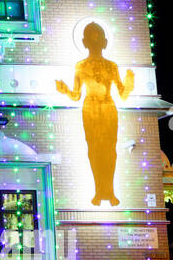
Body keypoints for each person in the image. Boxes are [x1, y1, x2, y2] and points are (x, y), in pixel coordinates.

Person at [55, 22, 134, 206]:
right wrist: (64, 89)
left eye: (99, 41)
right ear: (84, 43)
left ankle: (110, 191)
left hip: (108, 108)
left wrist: (129, 82)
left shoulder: (111, 66)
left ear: (105, 43)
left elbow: (122, 93)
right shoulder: (80, 66)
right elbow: (76, 95)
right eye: (92, 40)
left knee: (110, 150)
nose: (96, 44)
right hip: (90, 109)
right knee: (94, 150)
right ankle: (99, 191)